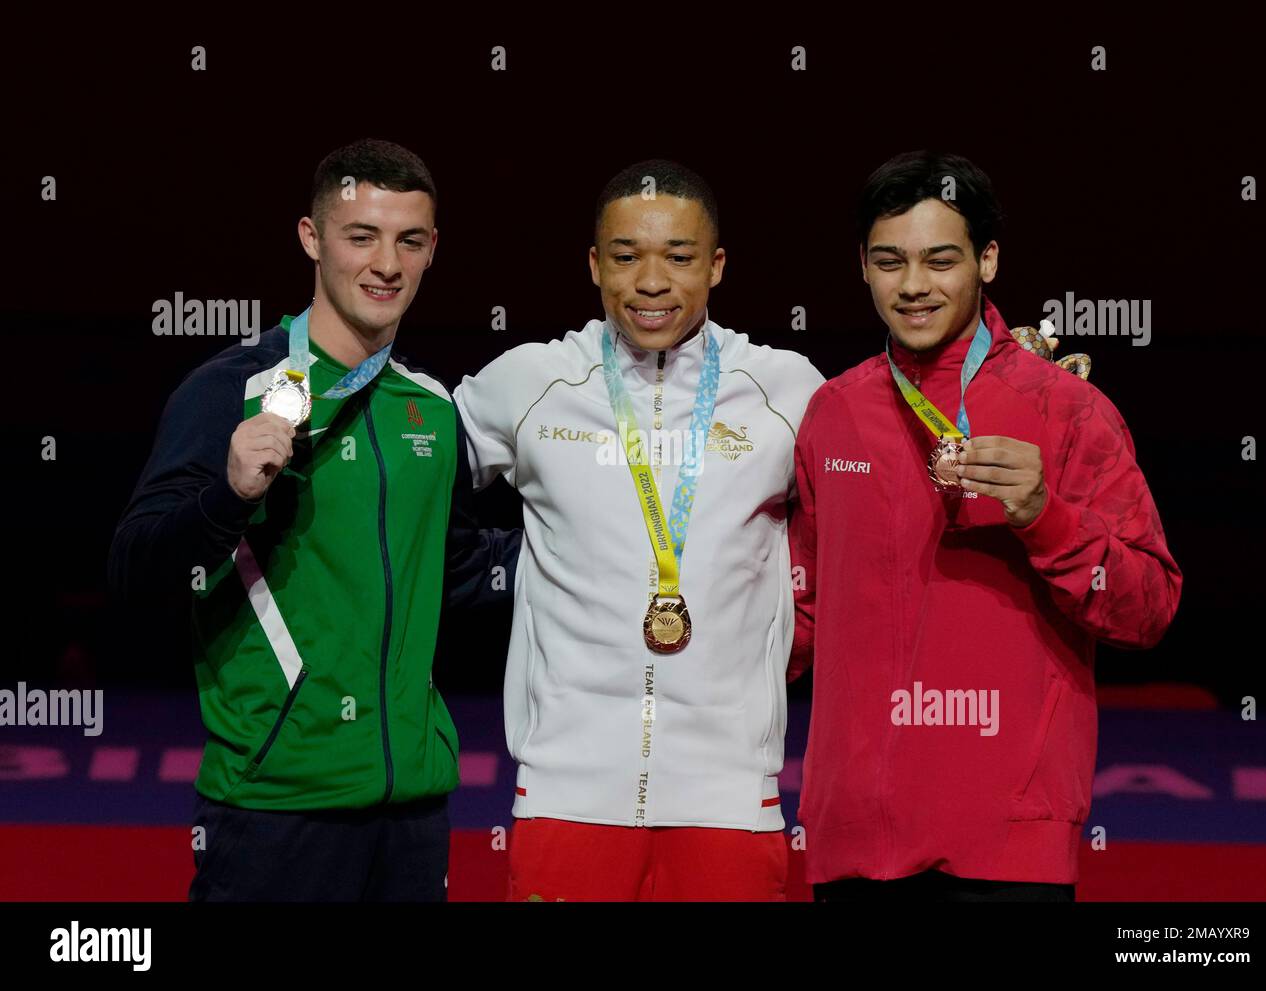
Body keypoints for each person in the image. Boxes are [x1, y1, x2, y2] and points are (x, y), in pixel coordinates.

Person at [108, 138, 517, 902]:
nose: (387, 264)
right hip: (275, 807)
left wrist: (592, 547)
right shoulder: (230, 389)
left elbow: (457, 567)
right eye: (361, 236)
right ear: (311, 238)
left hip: (414, 808)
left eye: (410, 240)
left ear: (433, 250)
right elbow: (134, 570)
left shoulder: (427, 405)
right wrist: (226, 498)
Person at [789, 150, 1182, 902]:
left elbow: (1150, 605)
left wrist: (1047, 517)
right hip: (853, 840)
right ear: (862, 267)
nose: (912, 286)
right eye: (888, 261)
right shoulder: (832, 413)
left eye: (941, 260)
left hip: (1010, 843)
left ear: (989, 259)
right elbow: (799, 619)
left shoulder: (1068, 410)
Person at [454, 159, 824, 901]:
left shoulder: (785, 391)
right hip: (566, 793)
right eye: (625, 256)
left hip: (730, 801)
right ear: (595, 264)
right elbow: (406, 472)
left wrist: (797, 629)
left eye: (679, 257)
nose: (651, 281)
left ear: (716, 266)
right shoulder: (531, 382)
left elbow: (860, 529)